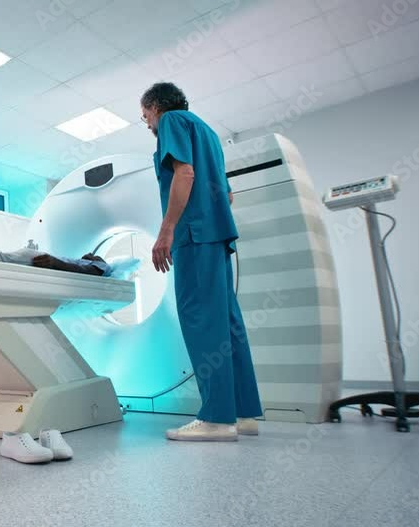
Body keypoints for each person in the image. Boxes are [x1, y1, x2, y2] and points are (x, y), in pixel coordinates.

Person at [141, 82, 263, 442]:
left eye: (145, 116)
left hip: (193, 236)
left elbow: (185, 173)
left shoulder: (172, 122)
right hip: (217, 233)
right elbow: (226, 192)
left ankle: (216, 418)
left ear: (156, 108)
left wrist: (167, 231)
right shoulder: (207, 131)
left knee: (201, 322)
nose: (147, 124)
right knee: (227, 324)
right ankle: (242, 413)